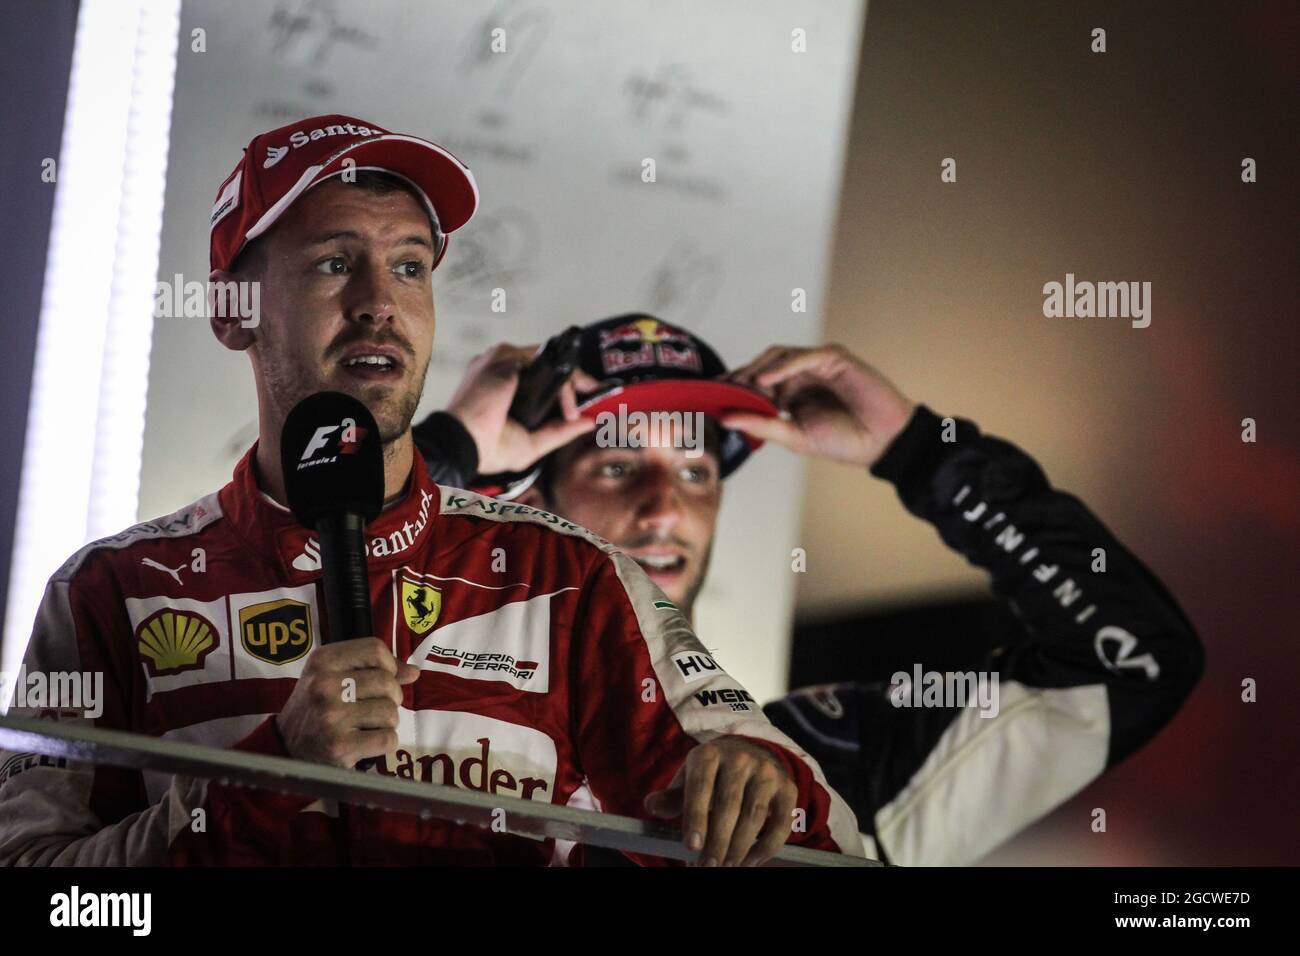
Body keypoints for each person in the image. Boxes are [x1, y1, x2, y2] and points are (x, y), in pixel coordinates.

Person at [0, 118, 863, 867]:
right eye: (335, 263)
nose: (380, 303)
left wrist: (763, 786)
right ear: (232, 309)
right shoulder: (110, 592)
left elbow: (825, 845)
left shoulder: (570, 578)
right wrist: (270, 774)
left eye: (410, 267)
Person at [427, 314, 1205, 865]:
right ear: (530, 500)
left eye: (695, 470)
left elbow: (1135, 662)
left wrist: (917, 452)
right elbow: (348, 595)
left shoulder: (830, 760)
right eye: (617, 466)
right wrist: (448, 460)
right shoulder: (432, 725)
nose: (664, 508)